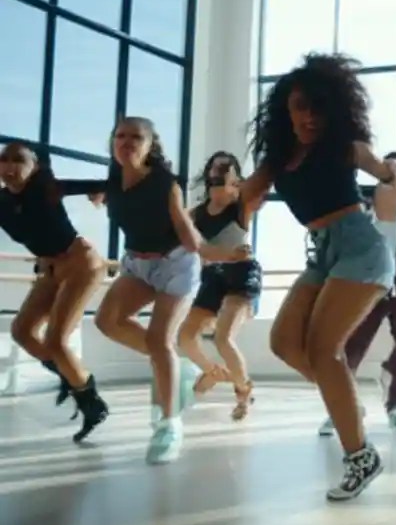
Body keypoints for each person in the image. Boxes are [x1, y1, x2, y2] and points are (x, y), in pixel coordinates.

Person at [239, 53, 396, 501]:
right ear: (285, 111)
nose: (309, 117)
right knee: (284, 342)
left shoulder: (345, 147)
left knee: (325, 349)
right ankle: (347, 402)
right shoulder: (278, 160)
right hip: (323, 254)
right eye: (299, 107)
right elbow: (244, 198)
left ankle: (360, 456)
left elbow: (388, 171)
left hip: (359, 248)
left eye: (317, 107)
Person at [91, 117, 206, 464]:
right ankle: (177, 368)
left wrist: (220, 252)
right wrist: (99, 195)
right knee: (107, 321)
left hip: (176, 263)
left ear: (150, 144)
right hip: (138, 264)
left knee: (159, 341)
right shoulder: (112, 179)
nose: (126, 142)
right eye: (120, 136)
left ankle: (170, 424)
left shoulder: (164, 183)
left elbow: (189, 238)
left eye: (135, 137)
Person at [318, 151, 396, 436]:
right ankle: (341, 408)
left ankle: (394, 403)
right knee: (352, 345)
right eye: (390, 170)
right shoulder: (361, 204)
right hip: (364, 279)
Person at [0, 142, 110, 441]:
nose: (9, 167)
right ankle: (71, 377)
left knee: (56, 340)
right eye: (3, 160)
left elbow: (103, 183)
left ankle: (92, 403)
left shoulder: (45, 187)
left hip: (80, 262)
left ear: (34, 166)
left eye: (18, 160)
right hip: (49, 268)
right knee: (22, 331)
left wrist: (104, 191)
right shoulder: (2, 202)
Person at [177, 151, 261, 421]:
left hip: (241, 274)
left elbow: (260, 186)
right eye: (216, 166)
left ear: (235, 177)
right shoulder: (196, 213)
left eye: (227, 168)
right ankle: (214, 372)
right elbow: (171, 222)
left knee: (223, 338)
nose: (220, 170)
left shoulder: (241, 206)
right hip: (213, 277)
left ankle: (243, 392)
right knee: (185, 337)